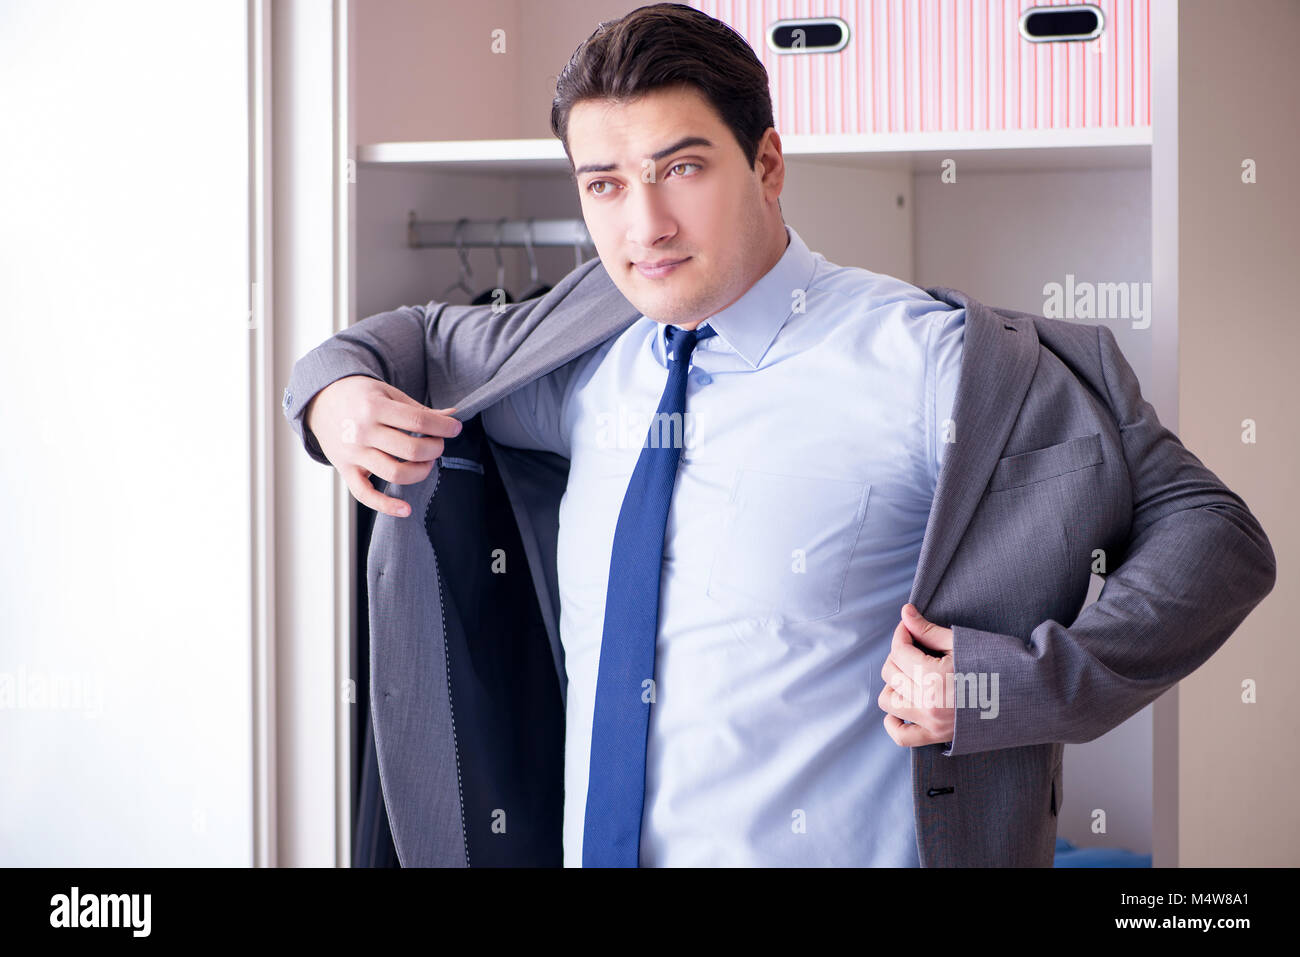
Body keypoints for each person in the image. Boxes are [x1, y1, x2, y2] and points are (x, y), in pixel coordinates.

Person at [286, 3, 1275, 867]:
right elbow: (407, 341)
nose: (645, 227)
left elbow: (1211, 536)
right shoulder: (582, 346)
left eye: (681, 169)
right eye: (605, 185)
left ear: (766, 162)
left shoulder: (930, 361)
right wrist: (332, 397)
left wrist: (1011, 690)